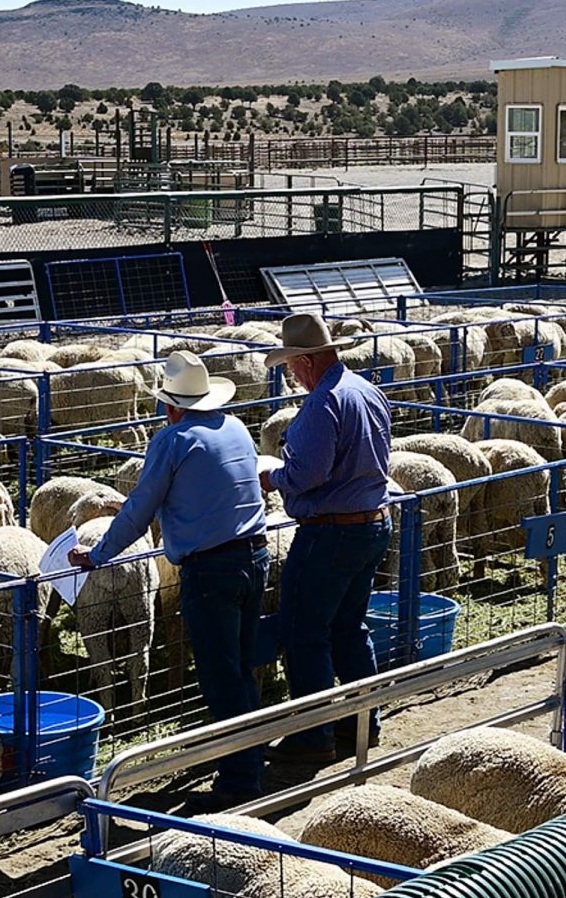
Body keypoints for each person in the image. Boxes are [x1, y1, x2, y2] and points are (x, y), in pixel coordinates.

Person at [68, 350, 269, 809]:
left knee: (220, 676)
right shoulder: (237, 428)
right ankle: (251, 758)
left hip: (210, 569)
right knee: (240, 665)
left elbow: (138, 511)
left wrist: (96, 554)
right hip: (252, 557)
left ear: (170, 406)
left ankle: (240, 780)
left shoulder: (172, 441)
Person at [259, 313, 394, 764]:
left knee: (304, 631)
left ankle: (312, 734)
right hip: (372, 523)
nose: (291, 375)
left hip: (330, 533)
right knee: (349, 626)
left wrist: (272, 476)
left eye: (292, 366)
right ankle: (362, 724)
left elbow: (308, 473)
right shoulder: (367, 390)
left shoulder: (323, 403)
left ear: (309, 362)